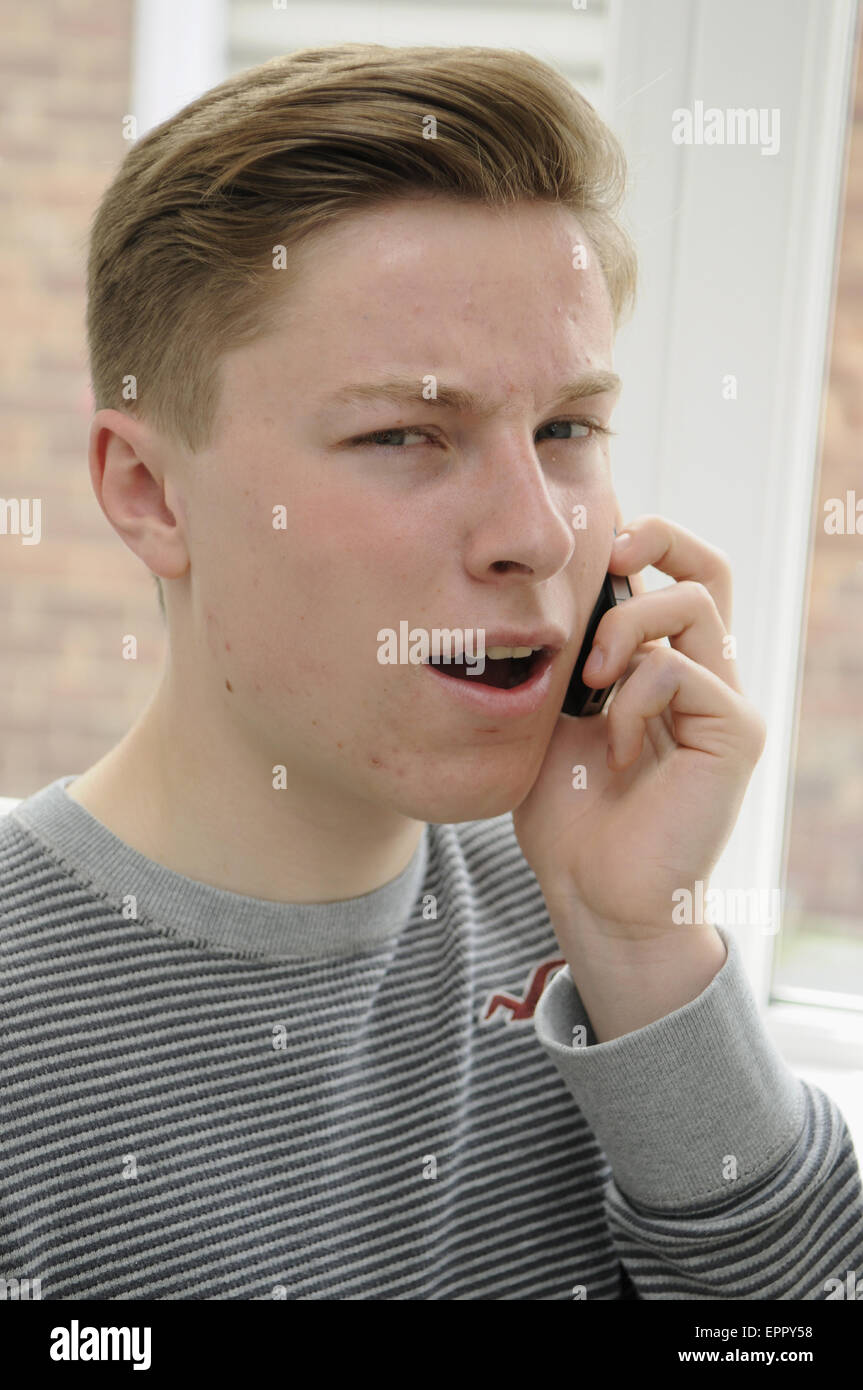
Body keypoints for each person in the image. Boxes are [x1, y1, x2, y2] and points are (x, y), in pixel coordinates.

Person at [2, 43, 861, 1301]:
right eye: (406, 433)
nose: (536, 532)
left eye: (566, 427)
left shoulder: (596, 915)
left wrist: (640, 946)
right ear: (148, 492)